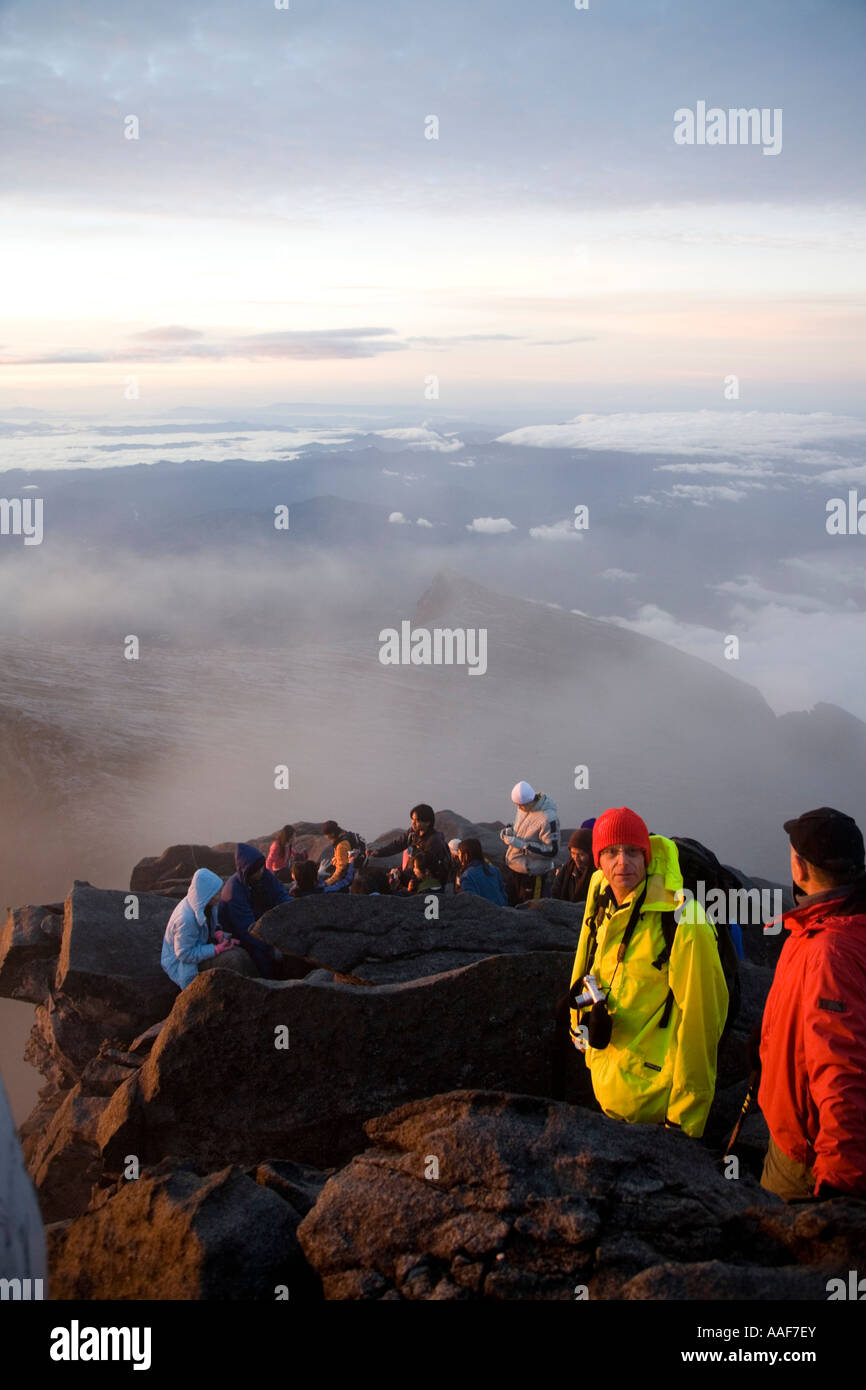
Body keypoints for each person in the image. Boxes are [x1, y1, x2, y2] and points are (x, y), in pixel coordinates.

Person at [569, 807, 728, 1138]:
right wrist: (578, 1027)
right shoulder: (600, 895)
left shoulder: (685, 921)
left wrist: (683, 1121)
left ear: (648, 855)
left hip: (657, 1109)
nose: (622, 863)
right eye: (611, 852)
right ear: (598, 859)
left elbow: (700, 1024)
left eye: (632, 852)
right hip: (606, 1079)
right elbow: (585, 961)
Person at [759, 807, 866, 1200]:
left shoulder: (829, 950)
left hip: (806, 1162)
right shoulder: (827, 927)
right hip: (798, 1138)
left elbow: (844, 1070)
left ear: (800, 868)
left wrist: (838, 1185)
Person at [218, 843, 289, 978]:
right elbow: (247, 930)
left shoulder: (264, 875)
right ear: (247, 871)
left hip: (259, 922)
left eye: (262, 867)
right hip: (237, 933)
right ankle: (270, 984)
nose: (261, 871)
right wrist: (271, 946)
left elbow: (281, 895)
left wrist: (295, 908)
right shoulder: (233, 891)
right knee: (261, 956)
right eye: (257, 870)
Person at [161, 867, 237, 989]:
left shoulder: (204, 904)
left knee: (238, 952)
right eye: (216, 893)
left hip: (199, 946)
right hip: (182, 964)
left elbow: (212, 923)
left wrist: (218, 933)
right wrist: (216, 949)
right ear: (206, 894)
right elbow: (184, 954)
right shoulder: (186, 920)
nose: (219, 896)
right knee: (233, 960)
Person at [500, 780, 560, 903]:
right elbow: (522, 829)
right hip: (515, 868)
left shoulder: (548, 818)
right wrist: (510, 832)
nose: (518, 807)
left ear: (530, 800)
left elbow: (552, 851)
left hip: (533, 875)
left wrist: (521, 845)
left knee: (530, 909)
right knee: (512, 904)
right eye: (516, 804)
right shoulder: (524, 807)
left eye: (520, 805)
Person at [368, 804, 451, 888]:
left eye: (417, 820)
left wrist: (401, 874)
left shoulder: (434, 842)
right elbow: (398, 844)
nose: (413, 823)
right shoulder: (413, 832)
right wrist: (379, 852)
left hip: (425, 881)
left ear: (428, 822)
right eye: (412, 819)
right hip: (412, 872)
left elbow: (424, 868)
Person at [456, 838, 508, 906]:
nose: (458, 856)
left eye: (459, 853)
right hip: (502, 909)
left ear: (465, 855)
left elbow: (471, 902)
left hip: (485, 913)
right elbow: (503, 893)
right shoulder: (495, 869)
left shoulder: (467, 877)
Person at [552, 829, 594, 904]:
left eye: (581, 855)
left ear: (590, 853)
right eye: (573, 853)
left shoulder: (596, 872)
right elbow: (556, 891)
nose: (576, 859)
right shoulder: (567, 868)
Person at [320, 821, 365, 889]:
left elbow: (341, 870)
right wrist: (336, 859)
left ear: (332, 834)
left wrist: (327, 882)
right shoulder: (344, 834)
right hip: (358, 860)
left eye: (326, 834)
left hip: (351, 870)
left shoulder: (341, 845)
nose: (325, 836)